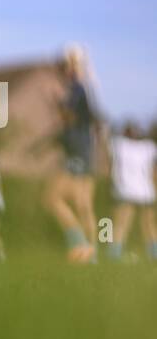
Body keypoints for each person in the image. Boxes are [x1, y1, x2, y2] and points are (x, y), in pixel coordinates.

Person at [42, 44, 102, 263]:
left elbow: (66, 116)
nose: (64, 70)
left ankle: (81, 245)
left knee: (52, 199)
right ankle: (92, 254)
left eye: (67, 65)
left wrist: (53, 100)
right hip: (86, 150)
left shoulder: (77, 88)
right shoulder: (84, 88)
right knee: (84, 205)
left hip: (78, 151)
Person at [106, 121, 157, 261]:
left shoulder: (118, 144)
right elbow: (154, 172)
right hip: (146, 191)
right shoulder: (149, 147)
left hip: (125, 190)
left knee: (121, 223)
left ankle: (113, 254)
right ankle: (154, 254)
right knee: (149, 224)